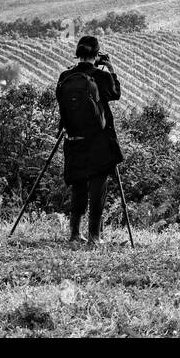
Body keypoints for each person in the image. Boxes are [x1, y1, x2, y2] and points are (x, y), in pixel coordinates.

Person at [56, 35, 124, 245]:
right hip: (98, 141)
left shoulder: (65, 76)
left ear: (78, 54)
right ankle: (94, 236)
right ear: (97, 54)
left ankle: (75, 234)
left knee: (79, 184)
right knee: (98, 186)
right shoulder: (100, 77)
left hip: (73, 139)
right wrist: (110, 68)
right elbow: (116, 94)